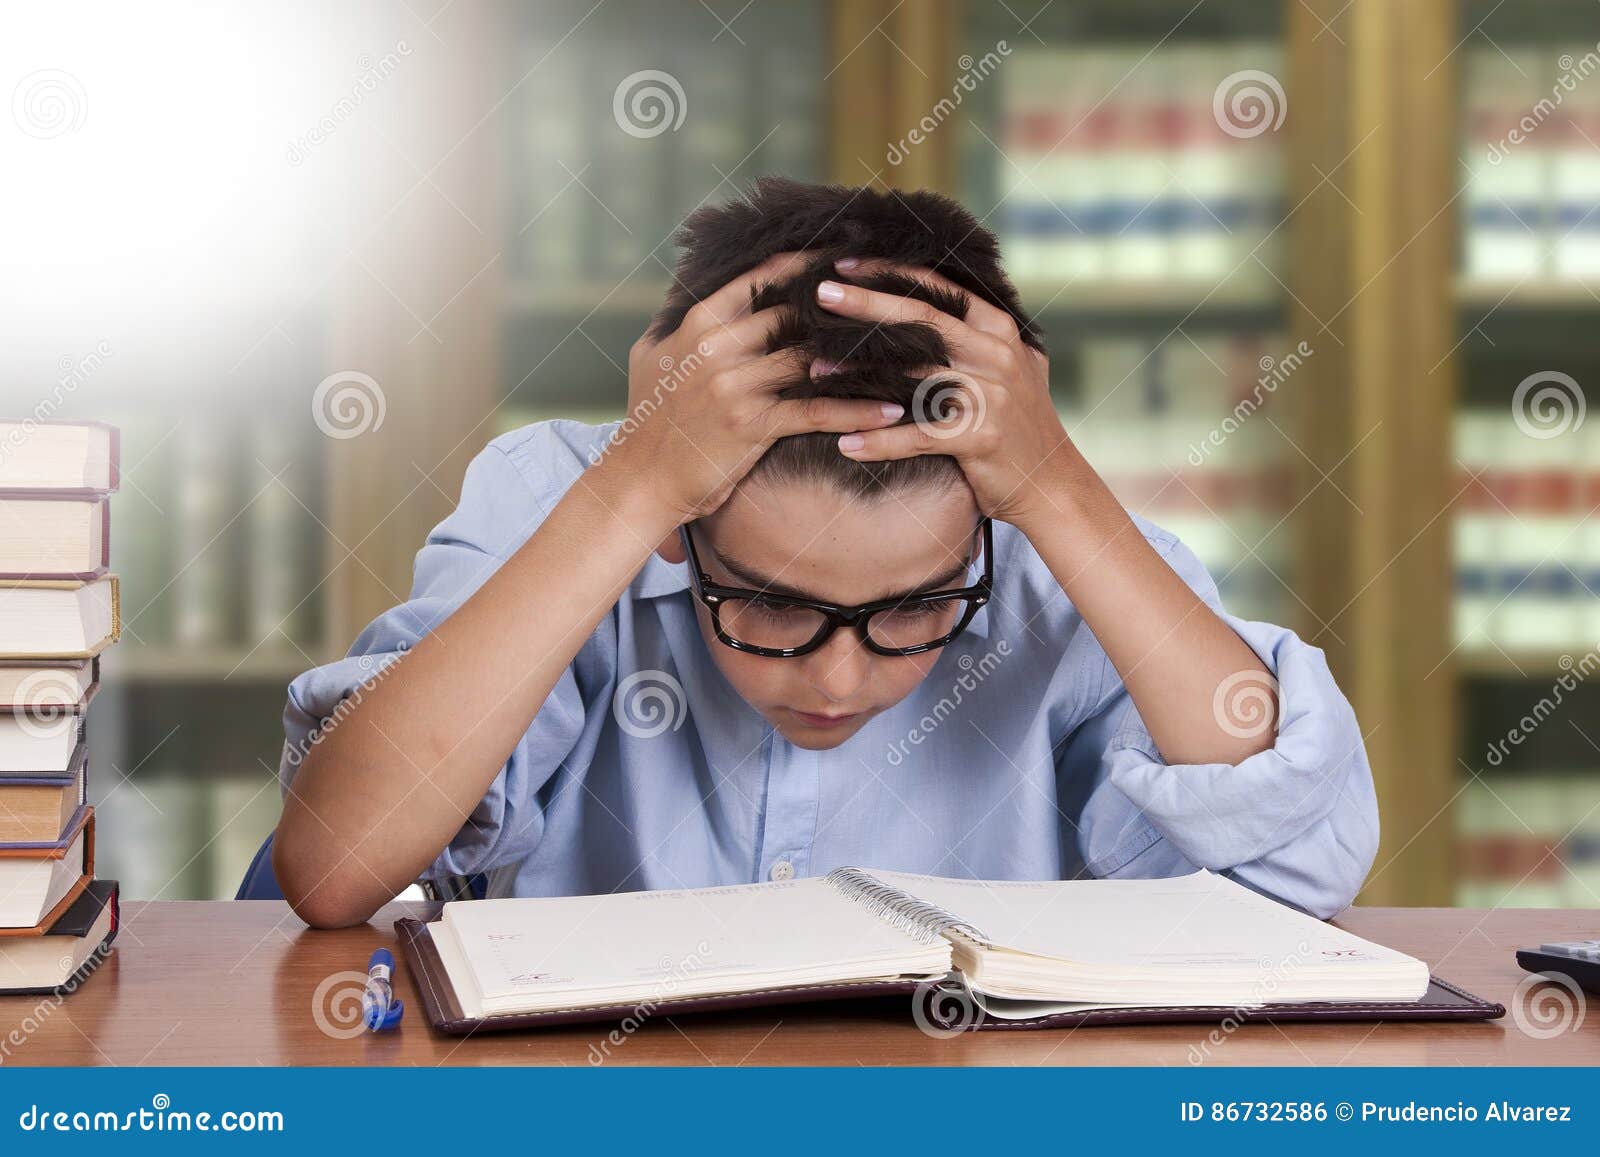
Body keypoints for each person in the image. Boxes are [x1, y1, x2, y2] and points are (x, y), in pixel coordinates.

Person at [273, 177, 1377, 929]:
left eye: (914, 609)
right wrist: (633, 489)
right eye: (768, 604)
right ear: (686, 526)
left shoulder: (1051, 541)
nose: (838, 677)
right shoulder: (572, 500)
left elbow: (1296, 867)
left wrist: (1062, 493)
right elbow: (335, 863)